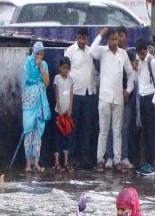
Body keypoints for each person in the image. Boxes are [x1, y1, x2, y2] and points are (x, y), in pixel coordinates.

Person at [91, 28, 134, 172]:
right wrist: (100, 34)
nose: (115, 42)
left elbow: (130, 73)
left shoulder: (123, 54)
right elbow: (91, 51)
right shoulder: (102, 52)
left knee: (117, 131)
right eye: (112, 39)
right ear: (108, 40)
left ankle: (117, 161)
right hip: (104, 97)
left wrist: (128, 90)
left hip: (118, 98)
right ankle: (100, 160)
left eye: (116, 39)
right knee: (103, 130)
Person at [65, 28, 97, 169]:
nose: (82, 41)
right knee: (72, 127)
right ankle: (70, 158)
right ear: (76, 37)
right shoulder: (70, 51)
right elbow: (65, 72)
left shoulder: (91, 52)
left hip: (88, 93)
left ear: (87, 38)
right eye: (80, 38)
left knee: (87, 127)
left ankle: (84, 158)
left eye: (84, 39)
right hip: (75, 94)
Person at [134, 39, 155, 177]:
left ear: (146, 50)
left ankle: (152, 164)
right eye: (139, 54)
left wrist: (154, 100)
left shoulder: (152, 62)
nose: (141, 55)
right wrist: (137, 65)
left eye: (143, 53)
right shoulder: (139, 61)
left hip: (150, 98)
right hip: (142, 97)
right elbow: (137, 77)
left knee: (151, 134)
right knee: (145, 133)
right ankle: (147, 162)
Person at [22, 41, 51, 173]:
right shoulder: (27, 63)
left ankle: (36, 164)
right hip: (29, 101)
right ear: (33, 53)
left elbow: (46, 83)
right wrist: (34, 86)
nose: (39, 56)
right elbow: (25, 82)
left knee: (38, 132)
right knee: (28, 131)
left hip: (40, 101)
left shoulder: (44, 65)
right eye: (37, 53)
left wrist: (40, 67)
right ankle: (28, 164)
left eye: (41, 54)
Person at [53, 57, 74, 172]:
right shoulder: (57, 78)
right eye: (63, 68)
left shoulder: (70, 79)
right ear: (60, 68)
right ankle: (57, 162)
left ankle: (66, 161)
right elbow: (56, 93)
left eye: (67, 68)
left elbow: (71, 94)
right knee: (57, 137)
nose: (65, 70)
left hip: (67, 114)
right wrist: (59, 106)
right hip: (59, 113)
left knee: (67, 137)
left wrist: (70, 108)